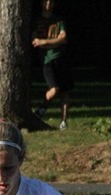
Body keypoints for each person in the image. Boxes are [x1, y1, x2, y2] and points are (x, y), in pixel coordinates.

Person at [32, 0, 70, 130]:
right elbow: (36, 41)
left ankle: (63, 121)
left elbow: (63, 37)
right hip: (47, 60)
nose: (48, 3)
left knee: (64, 91)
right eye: (45, 0)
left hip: (61, 58)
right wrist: (55, 42)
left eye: (51, 1)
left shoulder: (58, 20)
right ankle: (42, 109)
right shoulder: (36, 20)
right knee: (54, 89)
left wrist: (45, 41)